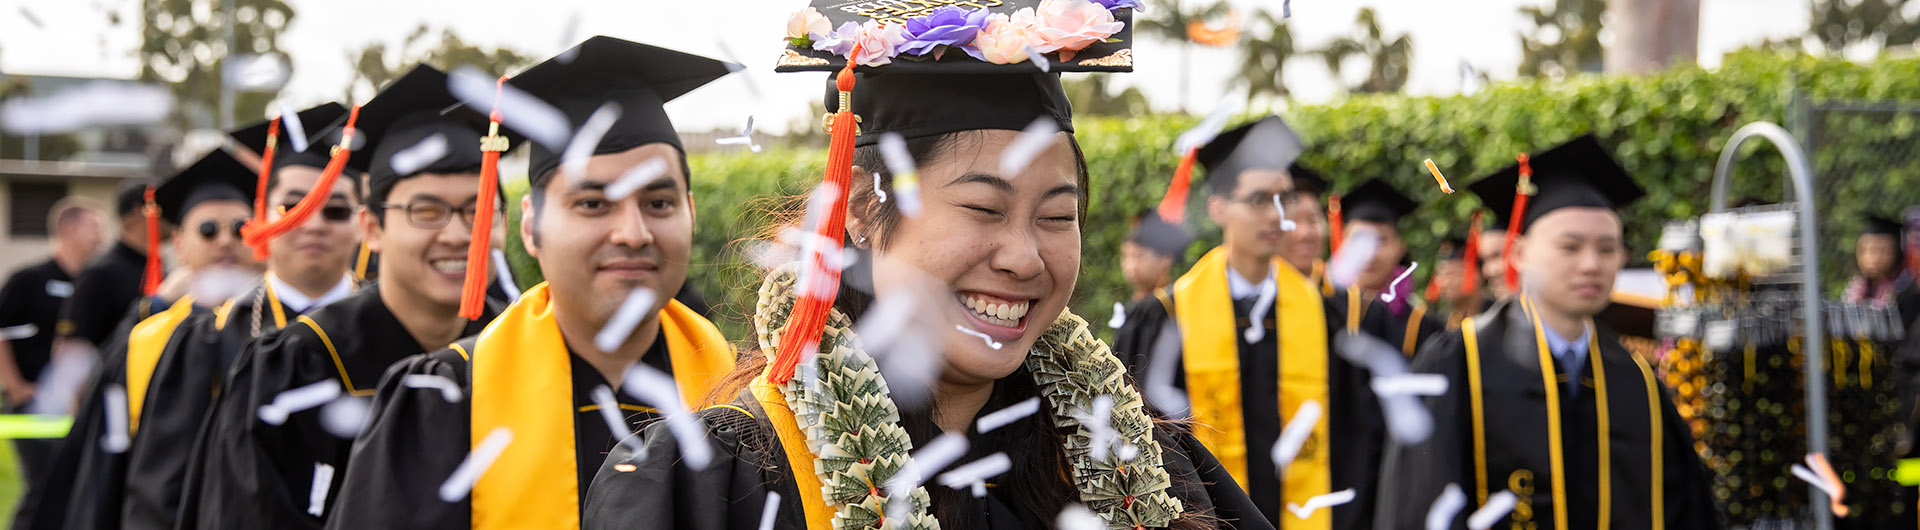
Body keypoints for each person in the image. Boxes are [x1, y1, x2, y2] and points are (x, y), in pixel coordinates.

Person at [583, 4, 1269, 529]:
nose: (1024, 257)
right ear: (861, 207)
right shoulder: (724, 481)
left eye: (1057, 217)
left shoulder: (1141, 464)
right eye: (983, 208)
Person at [324, 37, 738, 530]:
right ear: (530, 226)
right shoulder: (441, 400)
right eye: (593, 203)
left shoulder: (739, 394)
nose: (633, 233)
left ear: (690, 212)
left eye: (658, 203)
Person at [180, 66, 511, 529]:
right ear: (371, 228)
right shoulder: (296, 363)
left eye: (479, 211)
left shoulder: (519, 350)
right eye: (426, 211)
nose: (458, 235)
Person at [1373, 134, 1719, 529]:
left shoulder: (1636, 379)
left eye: (1607, 249)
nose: (1591, 264)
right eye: (1570, 247)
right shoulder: (1458, 362)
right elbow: (1417, 504)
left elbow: (1685, 511)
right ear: (1519, 254)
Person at [1113, 115, 1395, 529]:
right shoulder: (1166, 317)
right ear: (1218, 208)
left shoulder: (1330, 317)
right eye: (1259, 200)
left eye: (1285, 199)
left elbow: (1359, 446)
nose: (1277, 215)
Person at [118, 102, 365, 530]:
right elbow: (162, 496)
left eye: (336, 210)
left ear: (364, 222)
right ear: (261, 215)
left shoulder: (396, 330)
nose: (313, 224)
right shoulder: (208, 337)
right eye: (292, 207)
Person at [29, 149, 264, 530]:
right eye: (207, 230)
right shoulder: (147, 332)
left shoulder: (282, 323)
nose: (225, 241)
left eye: (240, 228)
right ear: (179, 242)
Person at [0, 197, 105, 522]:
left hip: (79, 407)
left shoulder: (91, 283)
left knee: (75, 490)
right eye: (94, 227)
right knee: (43, 488)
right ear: (69, 229)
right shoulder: (29, 280)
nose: (101, 237)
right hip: (34, 405)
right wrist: (16, 387)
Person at [1335, 178, 1444, 357]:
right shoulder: (1324, 310)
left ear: (1400, 247)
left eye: (1381, 240)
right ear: (1341, 245)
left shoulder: (1422, 325)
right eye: (1359, 241)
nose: (1370, 254)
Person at [58, 184, 170, 350]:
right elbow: (75, 351)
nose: (174, 215)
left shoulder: (159, 270)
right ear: (141, 210)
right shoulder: (100, 275)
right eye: (165, 206)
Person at [1845, 215, 1915, 307]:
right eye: (1865, 249)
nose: (1874, 258)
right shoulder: (1854, 291)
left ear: (1896, 253)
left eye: (1882, 250)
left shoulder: (1907, 292)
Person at [1123, 209, 1189, 303]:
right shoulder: (1136, 302)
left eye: (1138, 256)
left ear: (1165, 259)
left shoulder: (1178, 302)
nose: (1129, 266)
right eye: (1126, 256)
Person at [1280, 163, 1328, 283]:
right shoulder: (1248, 292)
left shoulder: (1344, 292)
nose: (1304, 233)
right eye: (1291, 220)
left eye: (1313, 219)